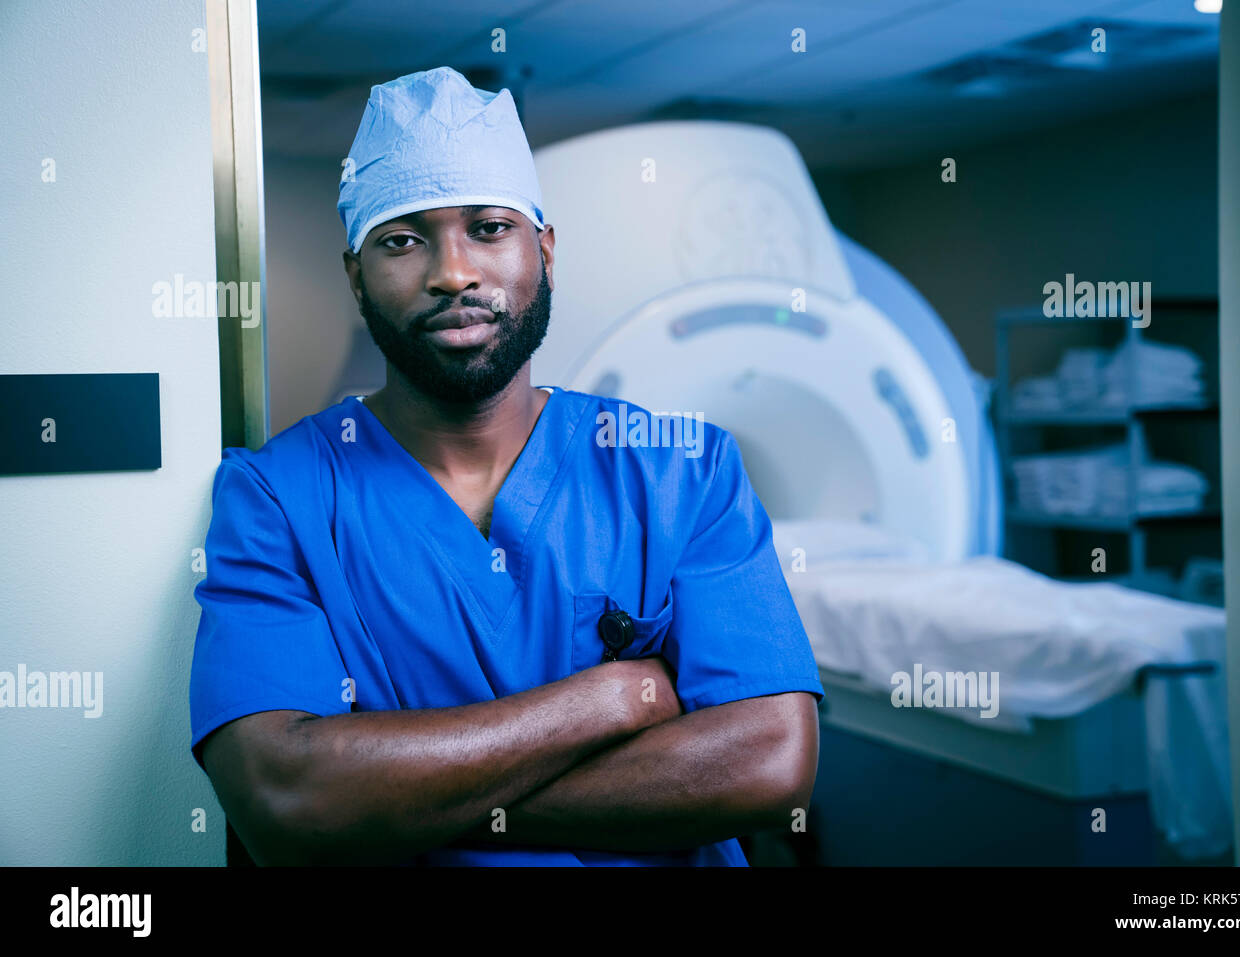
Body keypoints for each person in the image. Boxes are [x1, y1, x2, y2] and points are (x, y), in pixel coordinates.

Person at [188, 66, 824, 866]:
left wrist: (391, 801)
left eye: (488, 227)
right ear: (356, 276)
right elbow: (285, 798)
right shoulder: (277, 497)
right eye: (402, 239)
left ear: (545, 252)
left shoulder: (682, 472)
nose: (453, 272)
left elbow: (768, 764)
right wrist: (616, 696)